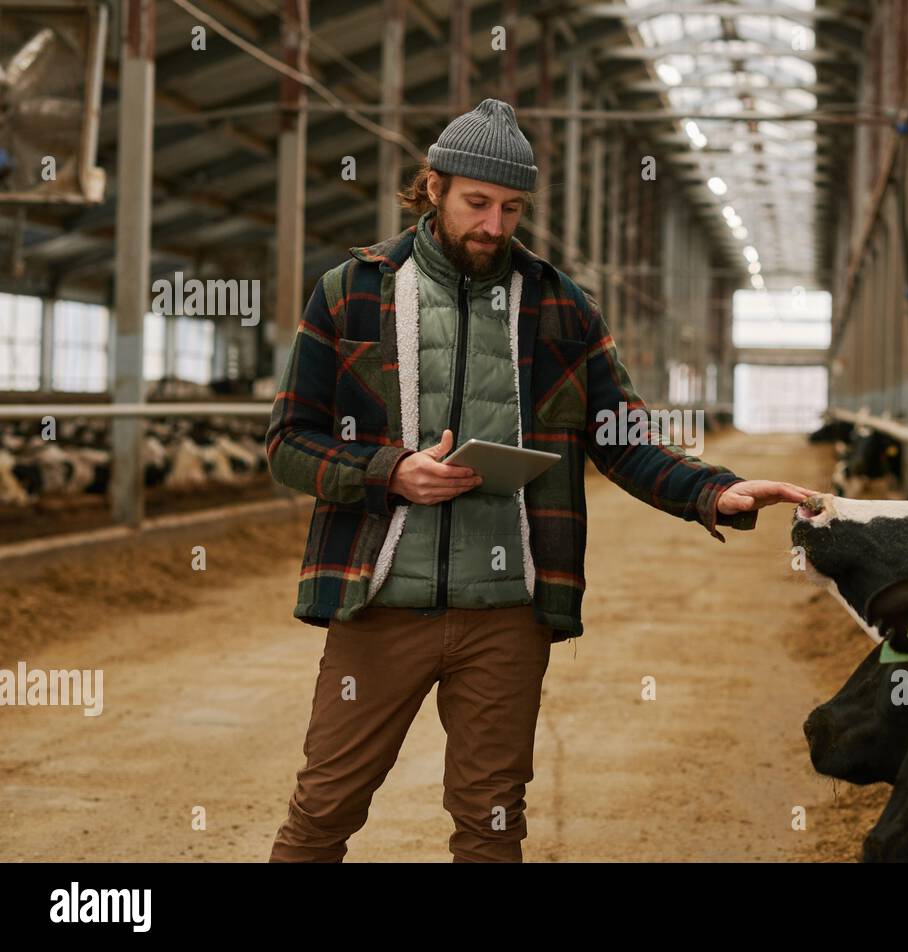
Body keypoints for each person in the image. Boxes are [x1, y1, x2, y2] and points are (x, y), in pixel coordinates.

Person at [265, 98, 814, 862]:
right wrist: (390, 472)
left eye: (512, 208)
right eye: (477, 203)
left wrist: (709, 490)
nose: (494, 226)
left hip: (507, 611)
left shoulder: (562, 307)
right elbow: (290, 443)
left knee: (492, 826)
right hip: (380, 601)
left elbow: (622, 437)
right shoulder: (350, 293)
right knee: (323, 811)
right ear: (432, 187)